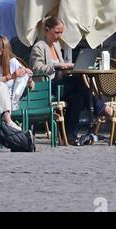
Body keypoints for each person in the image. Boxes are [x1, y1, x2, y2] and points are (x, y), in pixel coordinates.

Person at [29, 15, 92, 144]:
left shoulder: (57, 46)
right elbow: (36, 68)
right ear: (47, 30)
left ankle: (69, 136)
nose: (59, 35)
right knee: (77, 81)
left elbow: (61, 67)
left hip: (58, 85)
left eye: (61, 32)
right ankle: (96, 107)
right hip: (46, 86)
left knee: (77, 97)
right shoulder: (39, 46)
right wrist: (57, 66)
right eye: (56, 32)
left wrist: (68, 67)